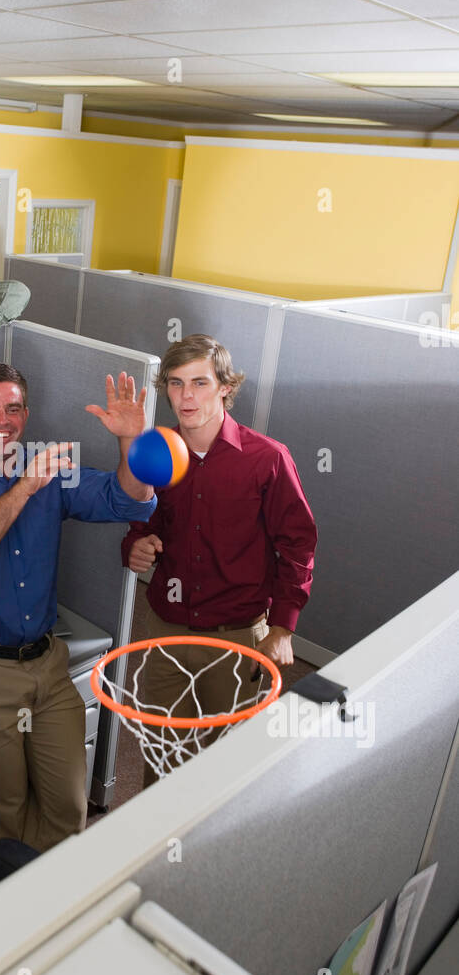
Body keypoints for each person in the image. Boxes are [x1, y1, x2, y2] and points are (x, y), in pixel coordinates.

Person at [0, 361, 156, 852]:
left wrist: (132, 442)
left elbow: (131, 502)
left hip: (47, 667)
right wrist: (24, 487)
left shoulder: (49, 471)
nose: (2, 419)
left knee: (69, 809)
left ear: (26, 414)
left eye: (14, 408)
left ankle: (51, 905)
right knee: (7, 826)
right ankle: (17, 916)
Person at [120, 334, 317, 785]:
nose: (186, 396)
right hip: (166, 631)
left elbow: (298, 545)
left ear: (226, 387)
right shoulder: (156, 453)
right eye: (175, 383)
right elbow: (142, 523)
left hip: (236, 638)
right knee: (162, 761)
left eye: (200, 383)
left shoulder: (268, 459)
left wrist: (283, 628)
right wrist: (136, 546)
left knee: (224, 774)